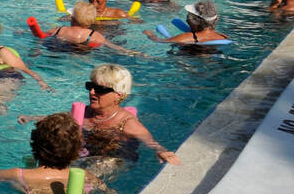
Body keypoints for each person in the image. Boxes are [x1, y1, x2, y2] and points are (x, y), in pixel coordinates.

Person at [21, 64, 179, 165]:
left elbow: (151, 143)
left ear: (119, 94)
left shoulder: (127, 123)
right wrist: (33, 118)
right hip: (86, 152)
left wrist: (162, 151)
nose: (92, 92)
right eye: (90, 86)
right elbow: (62, 120)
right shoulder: (85, 113)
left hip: (114, 158)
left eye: (100, 90)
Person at [37, 2, 137, 54]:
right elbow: (113, 46)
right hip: (83, 53)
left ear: (73, 18)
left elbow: (41, 35)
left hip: (58, 51)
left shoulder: (60, 30)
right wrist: (128, 51)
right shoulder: (95, 36)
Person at [143, 0, 229, 46]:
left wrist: (150, 35)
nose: (187, 20)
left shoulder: (185, 37)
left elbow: (160, 41)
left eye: (188, 16)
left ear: (193, 22)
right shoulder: (223, 37)